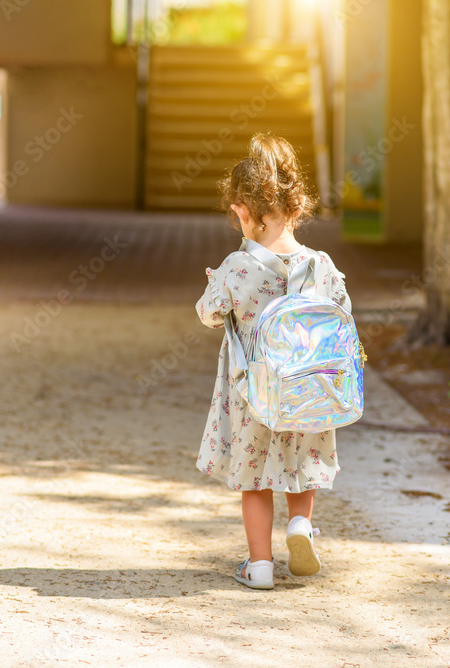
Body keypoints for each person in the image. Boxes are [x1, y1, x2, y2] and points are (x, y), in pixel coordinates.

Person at [195, 133, 351, 590]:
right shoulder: (321, 265)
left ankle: (259, 565)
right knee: (301, 466)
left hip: (253, 395)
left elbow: (207, 314)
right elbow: (343, 315)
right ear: (298, 204)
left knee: (255, 480)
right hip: (309, 390)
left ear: (242, 211)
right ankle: (300, 525)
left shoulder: (238, 268)